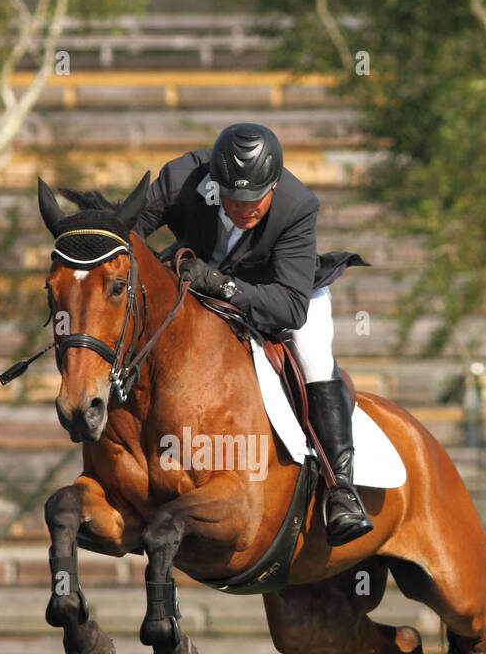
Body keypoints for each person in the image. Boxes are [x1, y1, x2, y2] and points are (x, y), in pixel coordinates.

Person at [133, 122, 373, 544]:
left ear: (275, 185)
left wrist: (222, 284)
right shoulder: (181, 177)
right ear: (215, 181)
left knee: (313, 356)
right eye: (234, 198)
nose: (245, 209)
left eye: (256, 199)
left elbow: (291, 306)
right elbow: (131, 234)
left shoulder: (297, 206)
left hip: (286, 294)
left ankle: (341, 492)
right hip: (202, 290)